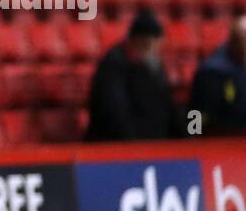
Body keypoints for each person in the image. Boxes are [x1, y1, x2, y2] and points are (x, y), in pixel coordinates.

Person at [85, 10, 181, 141]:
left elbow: (166, 105)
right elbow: (114, 114)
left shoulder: (153, 64)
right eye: (147, 44)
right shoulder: (113, 65)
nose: (152, 49)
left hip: (153, 143)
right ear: (135, 40)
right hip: (117, 145)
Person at [189, 15, 246, 135]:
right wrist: (194, 139)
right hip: (222, 138)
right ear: (234, 41)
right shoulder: (212, 71)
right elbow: (198, 114)